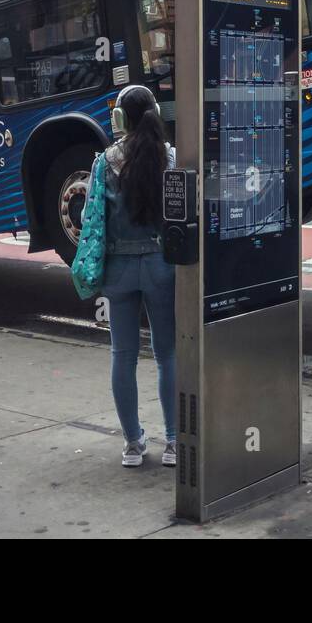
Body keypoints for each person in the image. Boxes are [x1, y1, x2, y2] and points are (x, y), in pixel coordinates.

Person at [94, 84, 177, 468]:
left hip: (118, 270)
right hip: (161, 266)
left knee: (122, 355)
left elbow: (91, 220)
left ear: (120, 119)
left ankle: (133, 443)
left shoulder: (104, 162)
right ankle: (175, 441)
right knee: (167, 354)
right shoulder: (170, 158)